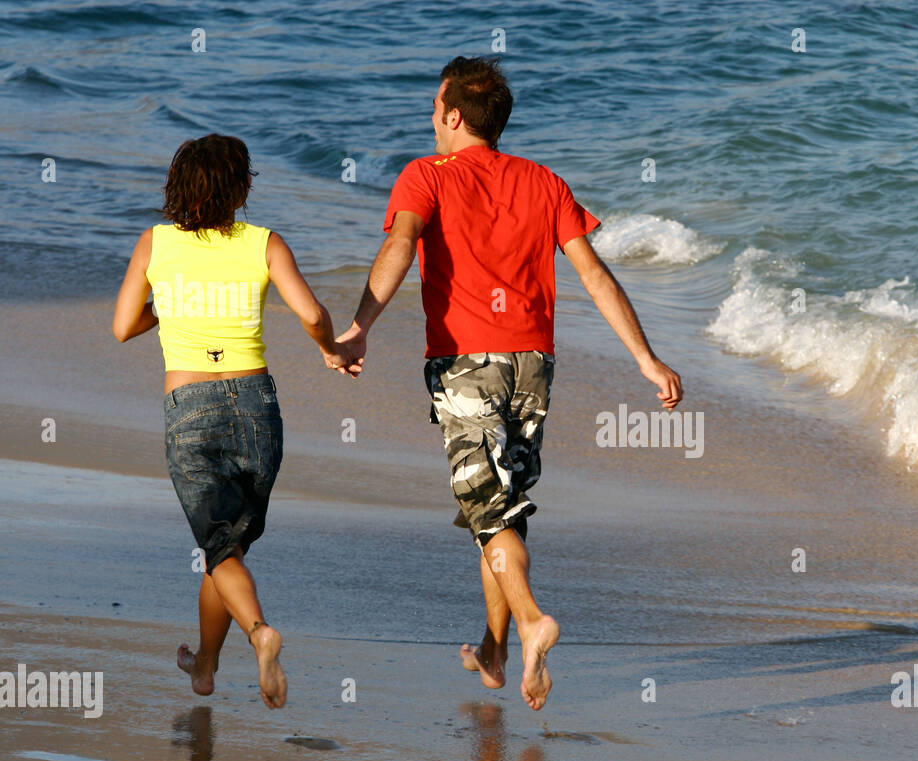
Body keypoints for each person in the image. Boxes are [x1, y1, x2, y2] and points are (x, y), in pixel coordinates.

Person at [337, 56, 682, 711]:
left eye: (435, 109)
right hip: (532, 366)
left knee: (488, 510)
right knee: (501, 514)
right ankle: (494, 650)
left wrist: (360, 326)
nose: (431, 121)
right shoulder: (544, 181)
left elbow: (400, 248)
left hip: (468, 364)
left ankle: (529, 621)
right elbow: (596, 275)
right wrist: (645, 358)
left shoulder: (423, 176)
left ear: (454, 116)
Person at [112, 133, 359, 710]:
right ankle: (205, 667)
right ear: (242, 189)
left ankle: (259, 633)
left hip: (191, 407)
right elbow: (312, 313)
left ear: (177, 188)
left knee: (220, 547)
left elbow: (123, 325)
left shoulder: (155, 243)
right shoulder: (265, 244)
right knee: (226, 545)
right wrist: (332, 349)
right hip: (256, 407)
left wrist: (172, 307)